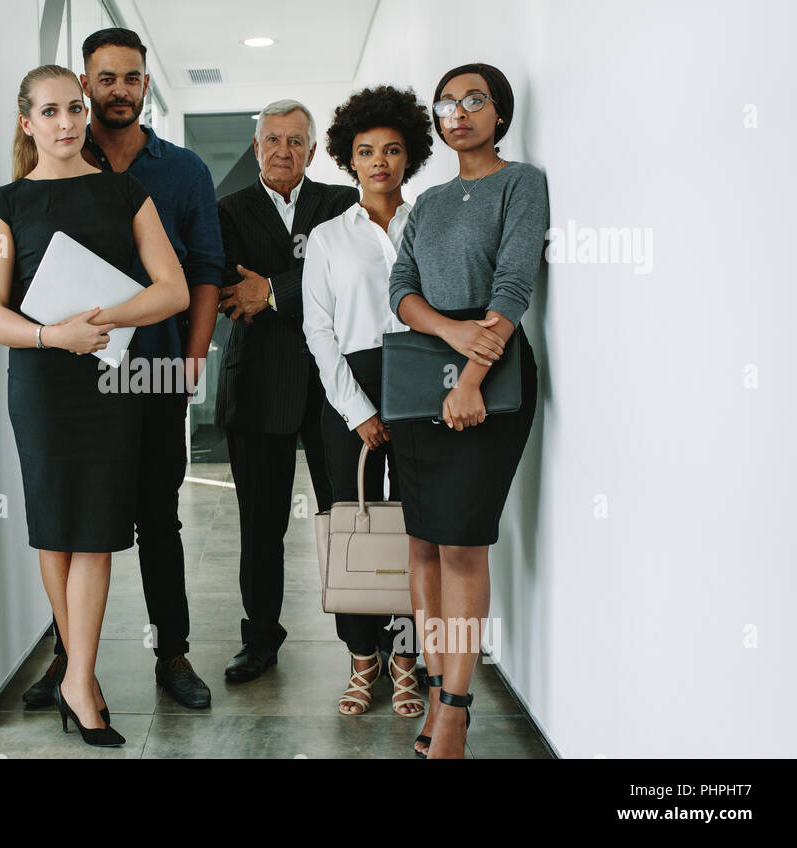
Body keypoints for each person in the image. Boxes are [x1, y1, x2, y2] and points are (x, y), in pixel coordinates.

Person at [0, 64, 189, 746]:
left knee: (97, 529)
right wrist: (52, 334)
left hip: (107, 378)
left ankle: (79, 674)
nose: (66, 122)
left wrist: (104, 322)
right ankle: (82, 681)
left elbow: (174, 289)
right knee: (54, 528)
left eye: (75, 108)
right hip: (41, 385)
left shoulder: (124, 193)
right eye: (50, 111)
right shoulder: (4, 205)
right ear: (27, 122)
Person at [20, 28, 222, 710]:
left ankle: (172, 655)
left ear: (143, 86)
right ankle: (70, 662)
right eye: (104, 78)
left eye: (131, 78)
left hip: (154, 367)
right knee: (70, 521)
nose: (118, 90)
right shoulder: (55, 160)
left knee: (158, 515)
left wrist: (192, 361)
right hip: (73, 374)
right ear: (84, 84)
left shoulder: (183, 171)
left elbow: (204, 274)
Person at [387, 63, 548, 758]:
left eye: (474, 100)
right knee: (422, 540)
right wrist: (448, 334)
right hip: (425, 369)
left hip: (493, 373)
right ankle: (432, 688)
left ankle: (454, 711)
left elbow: (513, 284)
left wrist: (472, 374)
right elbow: (401, 286)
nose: (458, 112)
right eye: (447, 103)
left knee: (460, 542)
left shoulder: (521, 184)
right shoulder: (425, 201)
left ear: (500, 115)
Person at [215, 100, 360, 683]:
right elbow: (231, 292)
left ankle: (365, 645)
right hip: (258, 388)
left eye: (295, 141)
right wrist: (305, 287)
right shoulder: (227, 212)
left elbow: (350, 279)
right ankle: (260, 640)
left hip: (335, 388)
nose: (283, 150)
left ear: (314, 150)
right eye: (272, 139)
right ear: (256, 148)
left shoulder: (341, 204)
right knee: (261, 524)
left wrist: (273, 289)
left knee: (349, 518)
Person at [302, 85, 433, 718]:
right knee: (352, 524)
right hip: (346, 387)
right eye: (365, 151)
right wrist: (358, 412)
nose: (379, 161)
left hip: (419, 381)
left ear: (410, 157)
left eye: (392, 150)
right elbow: (318, 330)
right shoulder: (327, 238)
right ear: (348, 160)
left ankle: (407, 662)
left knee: (416, 528)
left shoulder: (429, 223)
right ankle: (362, 660)